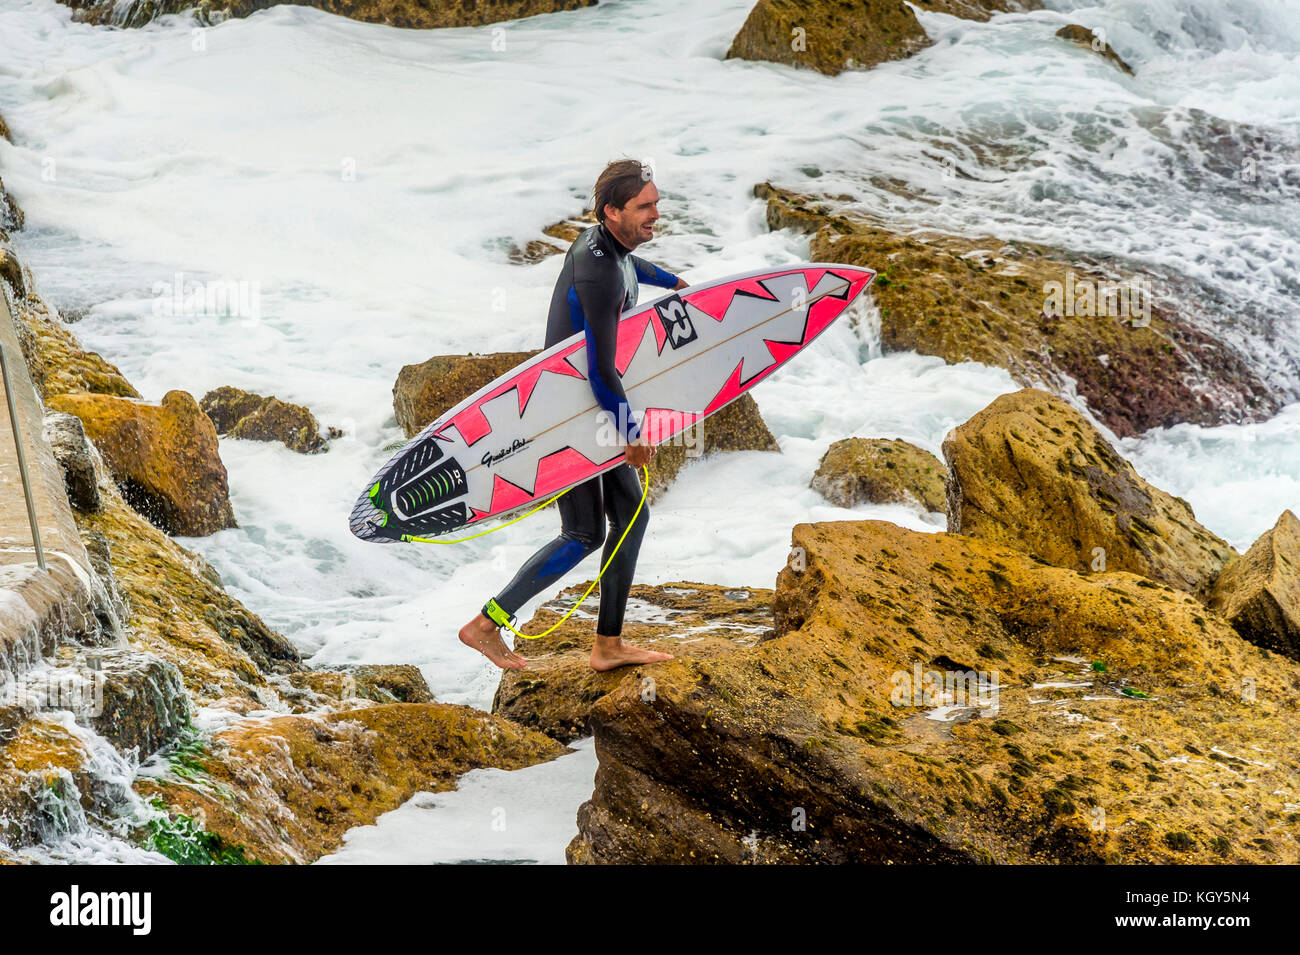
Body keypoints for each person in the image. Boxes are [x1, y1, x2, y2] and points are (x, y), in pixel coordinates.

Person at [458, 159, 686, 671]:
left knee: (630, 516)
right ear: (612, 211)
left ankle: (608, 645)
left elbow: (636, 267)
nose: (656, 213)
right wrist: (631, 435)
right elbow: (601, 369)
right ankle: (485, 626)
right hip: (566, 415)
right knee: (585, 533)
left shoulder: (606, 245)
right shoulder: (598, 271)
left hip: (580, 406)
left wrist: (675, 282)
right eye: (645, 206)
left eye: (656, 202)